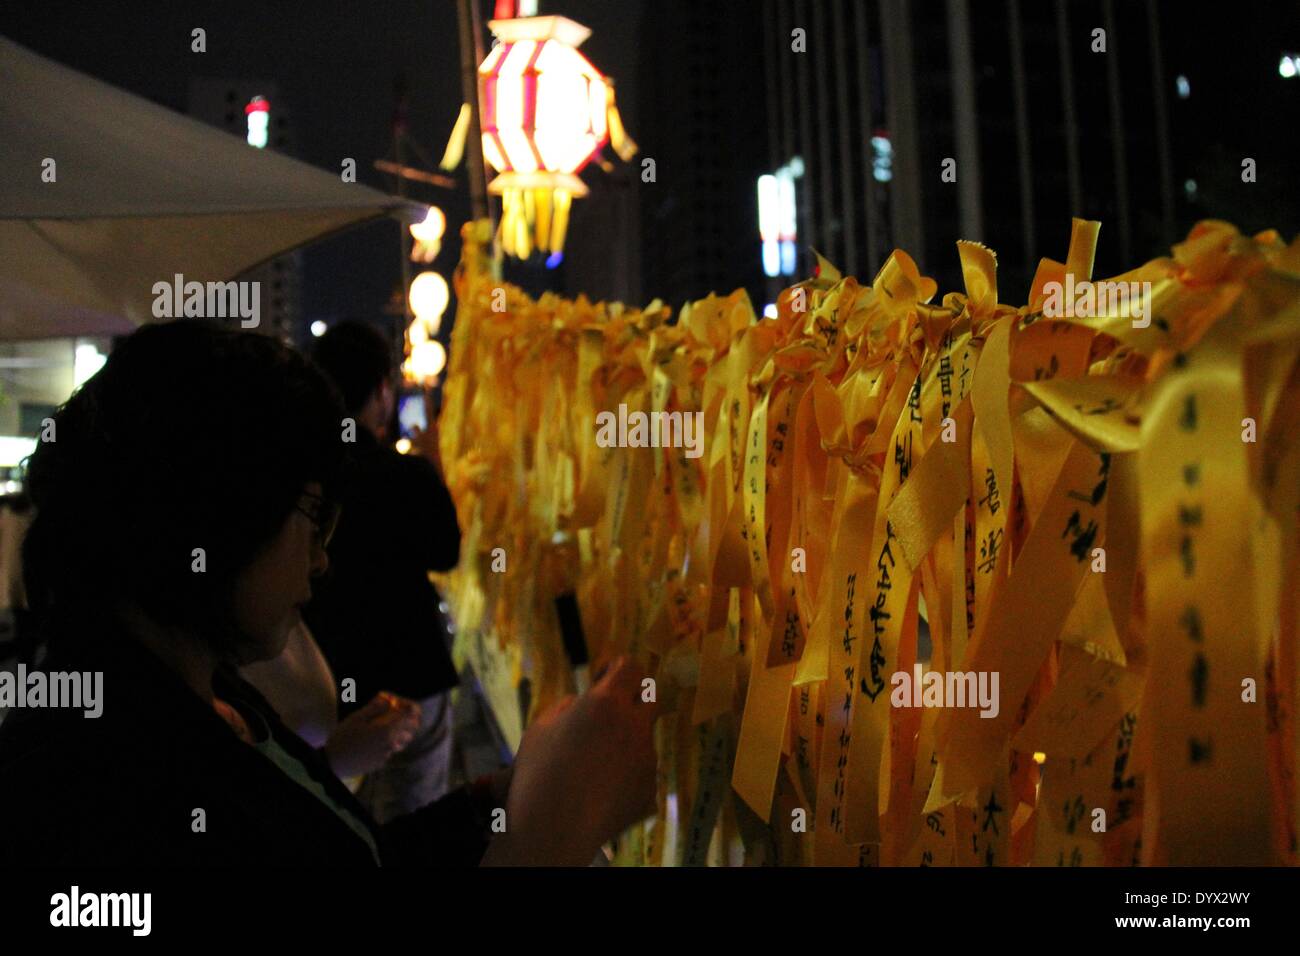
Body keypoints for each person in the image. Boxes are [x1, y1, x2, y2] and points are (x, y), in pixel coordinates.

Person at [0, 320, 656, 866]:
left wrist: (494, 801)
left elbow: (358, 858)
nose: (321, 564)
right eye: (312, 516)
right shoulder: (94, 783)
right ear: (216, 517)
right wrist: (551, 835)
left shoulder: (211, 691)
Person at [307, 320, 463, 821]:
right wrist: (433, 467)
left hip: (328, 680)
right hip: (410, 677)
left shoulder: (307, 480)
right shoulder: (404, 475)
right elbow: (445, 551)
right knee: (414, 818)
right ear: (380, 390)